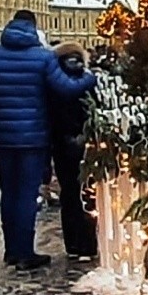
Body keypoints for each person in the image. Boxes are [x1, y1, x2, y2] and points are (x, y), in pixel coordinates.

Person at [0, 11, 96, 269]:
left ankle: (12, 250)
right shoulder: (43, 57)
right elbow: (66, 87)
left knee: (9, 194)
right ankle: (26, 253)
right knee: (27, 195)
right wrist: (88, 77)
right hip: (34, 138)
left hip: (4, 139)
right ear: (33, 28)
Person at [48, 42, 97, 258]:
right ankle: (88, 243)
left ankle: (73, 245)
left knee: (69, 193)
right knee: (88, 191)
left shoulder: (52, 80)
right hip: (86, 141)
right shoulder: (86, 79)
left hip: (61, 141)